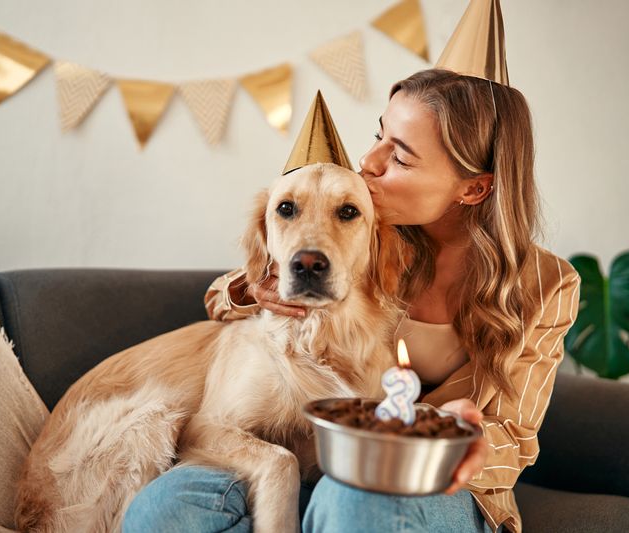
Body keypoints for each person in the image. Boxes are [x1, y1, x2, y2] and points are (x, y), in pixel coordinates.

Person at [123, 2, 581, 532]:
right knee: (164, 510)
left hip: (434, 480)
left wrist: (467, 441)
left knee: (351, 497)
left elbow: (517, 437)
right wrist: (254, 290)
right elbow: (230, 291)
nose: (369, 161)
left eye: (401, 156)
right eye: (379, 134)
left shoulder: (547, 285)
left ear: (474, 187)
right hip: (306, 445)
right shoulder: (359, 231)